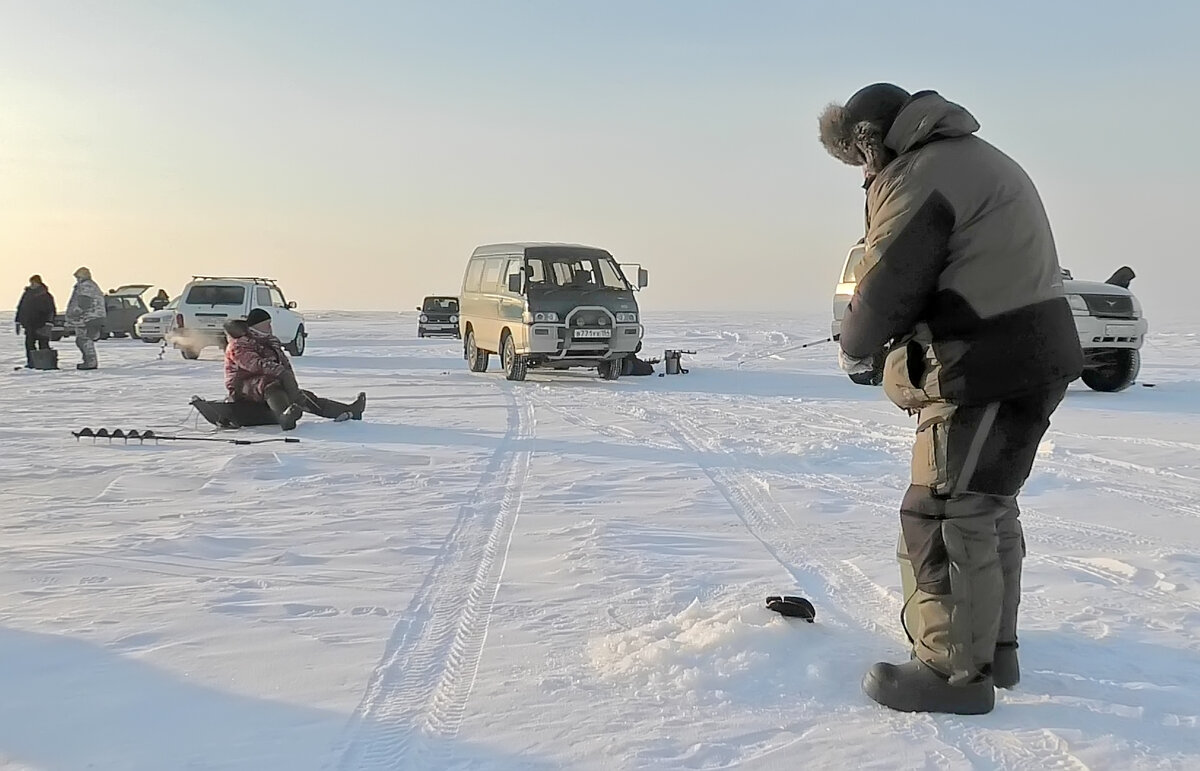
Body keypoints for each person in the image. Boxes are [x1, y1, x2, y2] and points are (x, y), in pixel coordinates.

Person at [818, 84, 1083, 714]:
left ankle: (951, 673)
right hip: (1033, 356)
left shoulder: (921, 172)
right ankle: (996, 652)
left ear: (868, 138)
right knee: (988, 506)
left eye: (859, 158)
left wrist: (856, 342)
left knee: (940, 512)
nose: (863, 172)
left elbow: (886, 285)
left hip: (981, 365)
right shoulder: (974, 156)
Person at [220, 307, 365, 430]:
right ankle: (284, 417)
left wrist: (291, 386)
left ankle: (349, 411)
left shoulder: (271, 342)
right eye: (266, 324)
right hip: (243, 387)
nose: (270, 327)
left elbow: (284, 365)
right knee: (270, 386)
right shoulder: (239, 345)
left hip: (271, 382)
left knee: (304, 396)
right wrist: (281, 373)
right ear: (255, 326)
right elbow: (253, 364)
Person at [64, 267, 107, 370]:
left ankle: (90, 362)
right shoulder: (90, 285)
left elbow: (83, 302)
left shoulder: (85, 286)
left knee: (84, 339)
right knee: (84, 339)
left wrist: (75, 314)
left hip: (87, 317)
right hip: (92, 316)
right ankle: (88, 361)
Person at [15, 275, 56, 368]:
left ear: (39, 283)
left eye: (34, 282)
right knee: (29, 344)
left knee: (43, 344)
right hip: (29, 325)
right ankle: (31, 363)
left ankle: (46, 363)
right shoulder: (27, 294)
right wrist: (18, 321)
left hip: (42, 324)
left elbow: (51, 310)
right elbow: (21, 307)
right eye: (31, 282)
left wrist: (49, 323)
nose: (32, 284)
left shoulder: (46, 295)